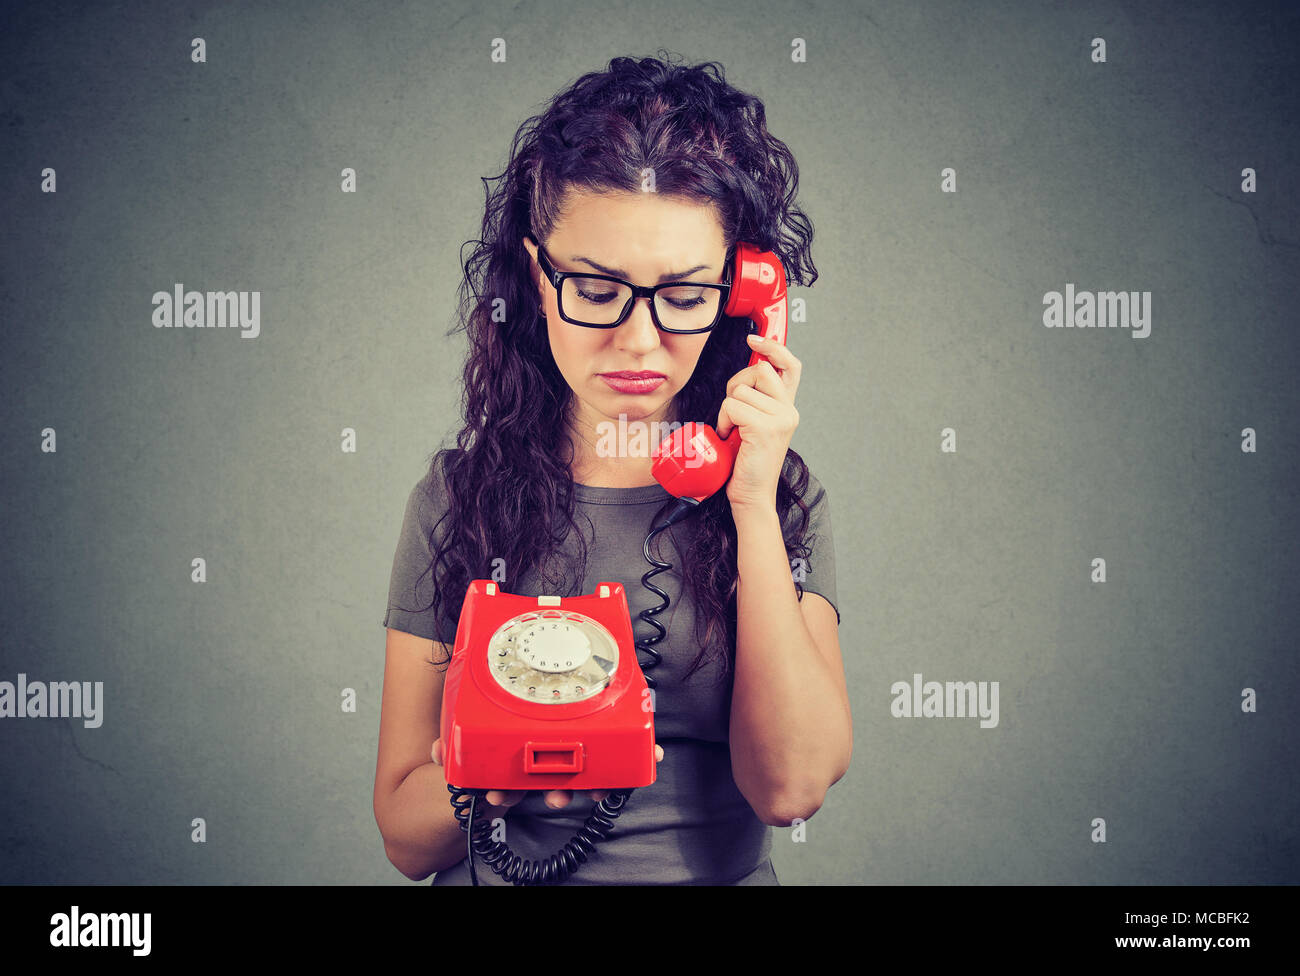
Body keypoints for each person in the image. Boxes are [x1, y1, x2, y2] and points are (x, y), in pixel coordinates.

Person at [373, 52, 851, 885]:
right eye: (595, 289)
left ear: (742, 293)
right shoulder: (458, 499)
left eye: (686, 293)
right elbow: (405, 841)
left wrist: (749, 505)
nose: (638, 340)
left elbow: (792, 784)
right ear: (535, 275)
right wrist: (505, 762)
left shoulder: (775, 497)